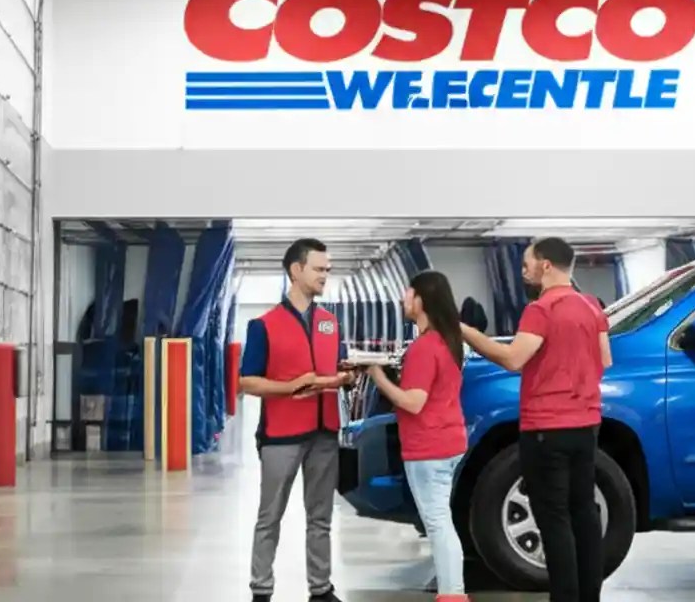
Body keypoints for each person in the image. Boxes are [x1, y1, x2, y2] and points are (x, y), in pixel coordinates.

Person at [460, 237, 613, 602]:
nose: (524, 269)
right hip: (586, 426)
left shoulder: (541, 309)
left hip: (547, 428)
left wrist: (464, 331)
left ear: (546, 265)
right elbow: (605, 360)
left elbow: (514, 358)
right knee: (584, 514)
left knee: (554, 519)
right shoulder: (593, 307)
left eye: (528, 263)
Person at [240, 238, 354, 602]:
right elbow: (247, 381)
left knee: (320, 518)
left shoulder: (330, 323)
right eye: (319, 269)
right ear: (296, 270)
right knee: (269, 517)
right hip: (281, 435)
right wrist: (290, 387)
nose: (325, 275)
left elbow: (336, 366)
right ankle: (261, 590)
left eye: (328, 269)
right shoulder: (264, 325)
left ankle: (320, 590)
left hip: (324, 432)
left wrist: (345, 376)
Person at [366, 271, 470, 602]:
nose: (403, 299)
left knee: (438, 523)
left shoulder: (426, 347)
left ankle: (452, 594)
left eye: (407, 293)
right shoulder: (447, 341)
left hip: (429, 446)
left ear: (421, 299)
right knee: (442, 519)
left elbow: (414, 401)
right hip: (448, 440)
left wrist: (376, 375)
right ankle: (450, 585)